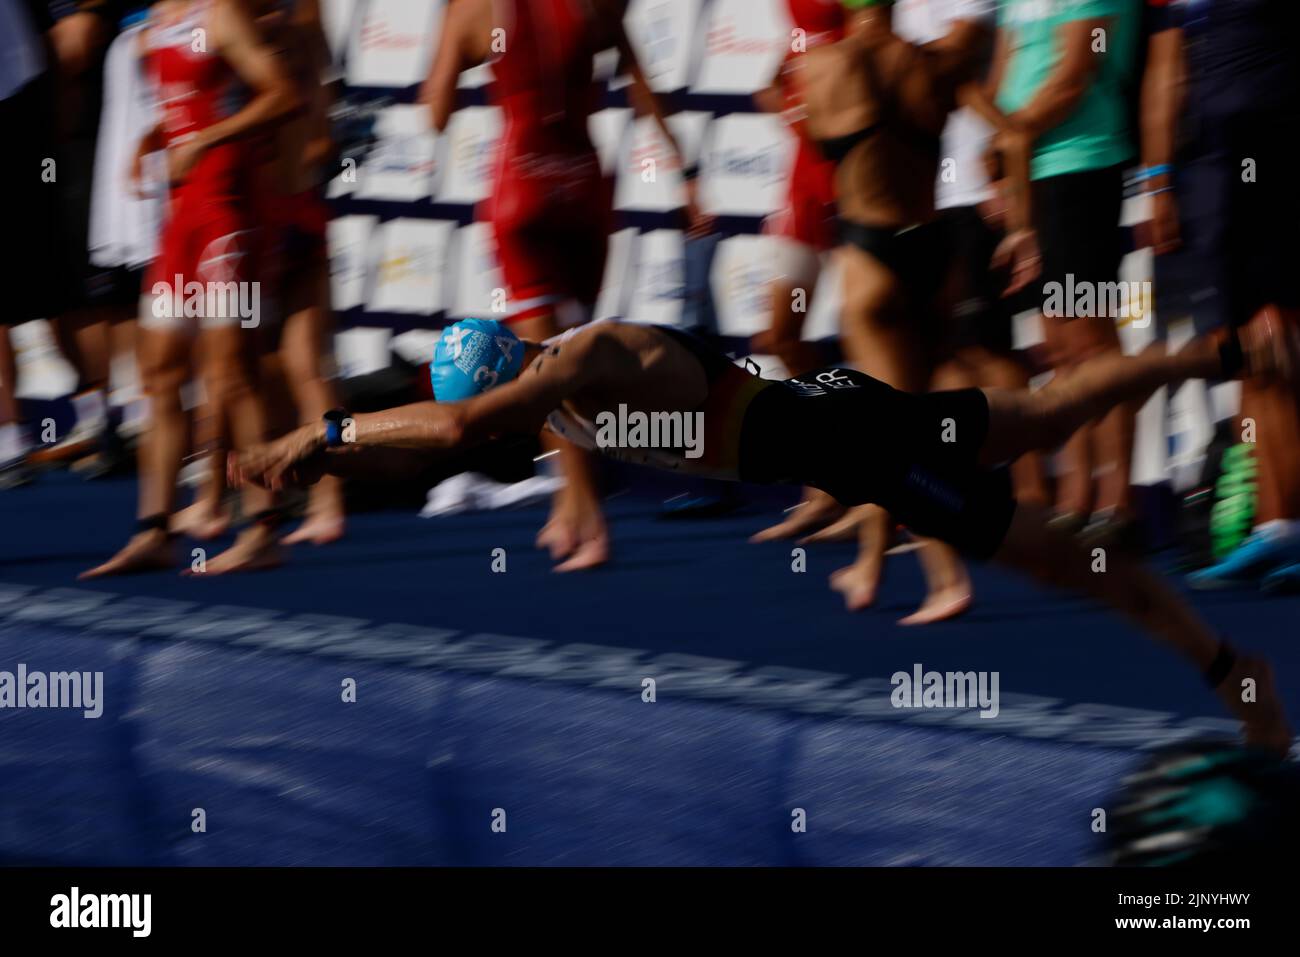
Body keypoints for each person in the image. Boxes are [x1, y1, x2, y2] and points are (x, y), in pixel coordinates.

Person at [233, 313, 1296, 754]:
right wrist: (327, 453)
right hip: (826, 413)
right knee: (1037, 417)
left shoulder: (587, 359)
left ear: (518, 366)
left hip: (851, 444)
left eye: (503, 410)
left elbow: (458, 426)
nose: (506, 434)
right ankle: (1209, 356)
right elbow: (445, 437)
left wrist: (321, 429)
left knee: (1065, 556)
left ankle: (1229, 665)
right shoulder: (536, 397)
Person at [420, 0, 707, 572]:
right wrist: (685, 171)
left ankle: (585, 515)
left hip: (521, 185)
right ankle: (569, 505)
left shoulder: (476, 10)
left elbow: (436, 111)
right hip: (582, 187)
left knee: (550, 367)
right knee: (574, 358)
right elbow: (642, 83)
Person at [81, 0, 300, 578]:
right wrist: (154, 136)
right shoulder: (156, 20)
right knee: (160, 373)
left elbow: (282, 94)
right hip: (181, 218)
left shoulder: (220, 13)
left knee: (233, 374)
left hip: (230, 215)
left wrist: (207, 141)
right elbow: (187, 102)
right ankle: (154, 530)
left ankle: (263, 527)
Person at [1139, 0, 1300, 590]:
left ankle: (1288, 528)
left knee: (1275, 333)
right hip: (1209, 165)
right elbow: (1165, 64)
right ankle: (1274, 527)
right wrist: (1157, 178)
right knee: (1238, 345)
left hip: (1275, 144)